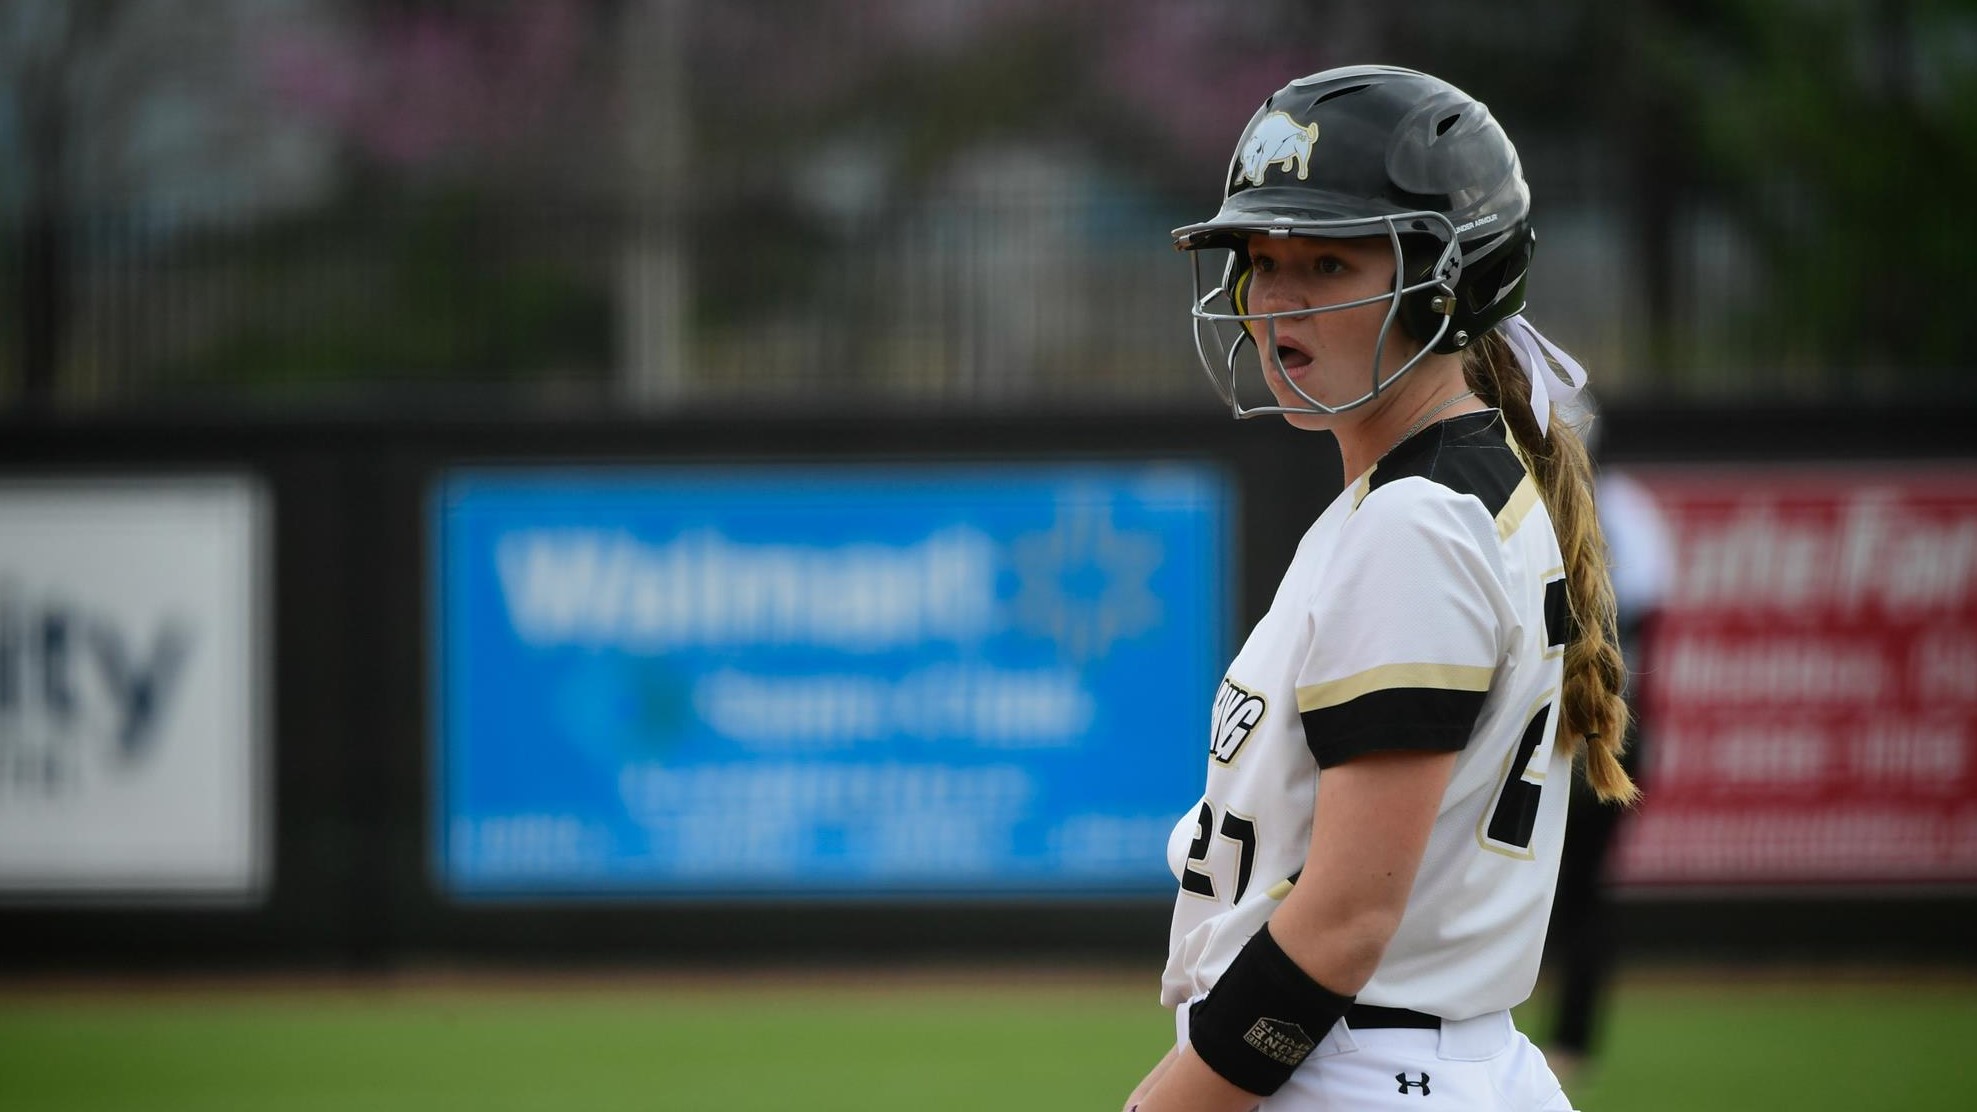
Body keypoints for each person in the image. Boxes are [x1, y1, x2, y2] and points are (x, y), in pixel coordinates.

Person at [1123, 65, 1636, 1112]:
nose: (1276, 298)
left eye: (1327, 259)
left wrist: (1168, 1103)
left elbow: (1346, 920)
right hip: (1405, 1064)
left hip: (1357, 1071)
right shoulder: (1441, 486)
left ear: (1450, 282)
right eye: (1261, 260)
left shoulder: (1417, 521)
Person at [1544, 412, 1674, 1086]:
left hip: (1590, 728)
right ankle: (1552, 1045)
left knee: (1573, 892)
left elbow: (1643, 622)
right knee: (1556, 891)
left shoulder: (1616, 509)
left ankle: (1568, 1043)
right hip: (1574, 728)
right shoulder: (1621, 509)